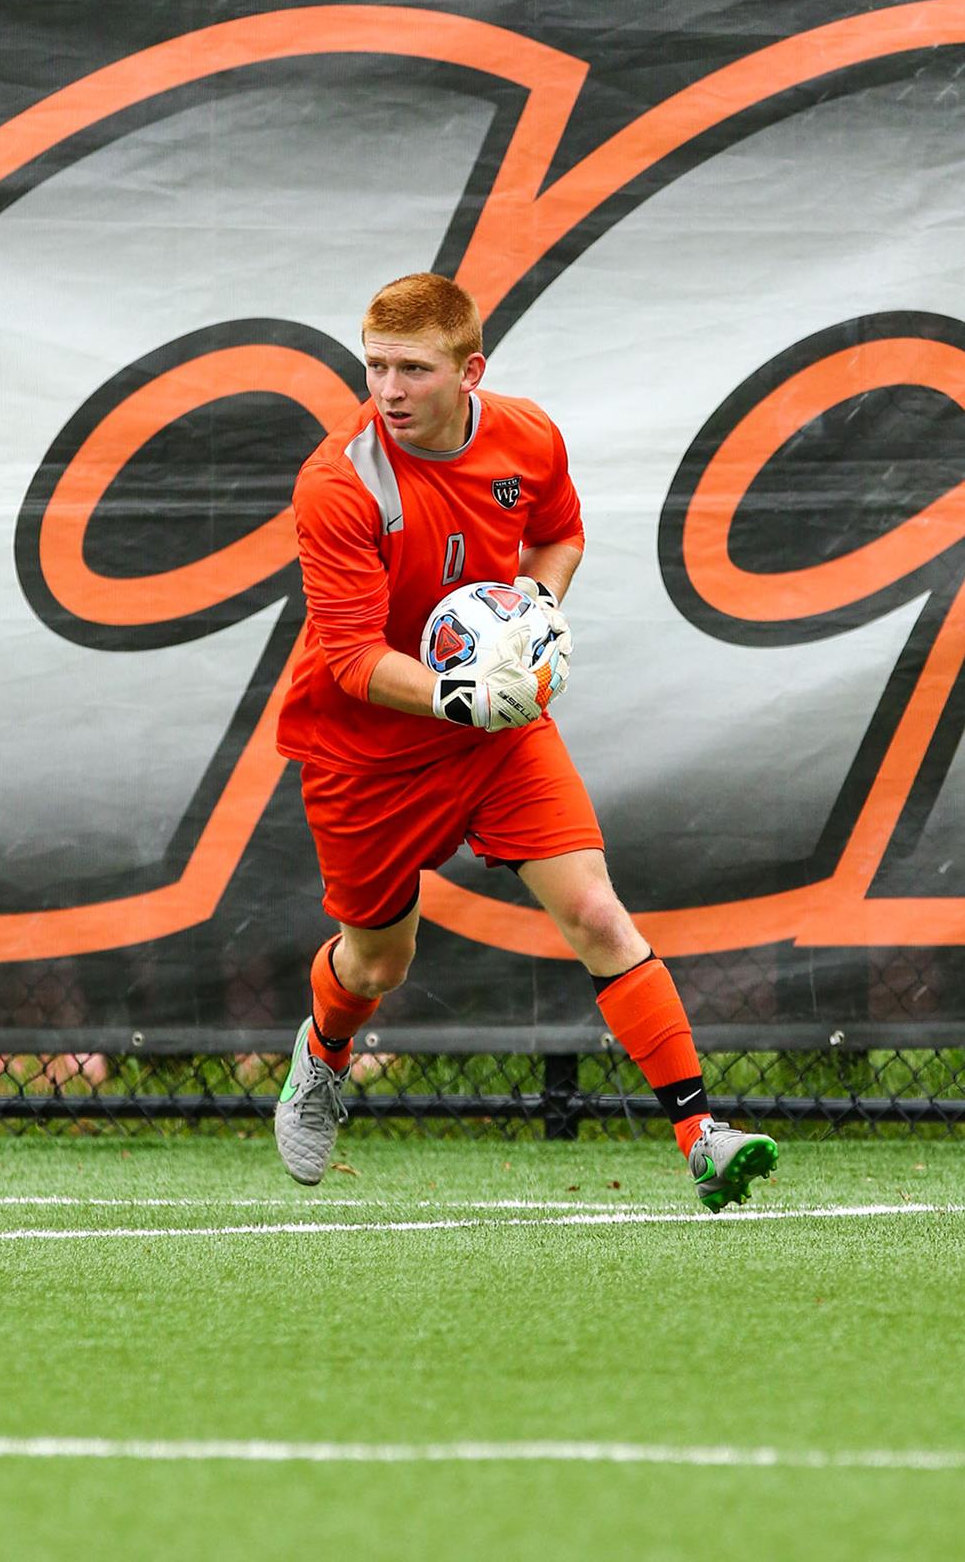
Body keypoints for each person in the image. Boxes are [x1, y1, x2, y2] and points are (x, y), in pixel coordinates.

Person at [273, 272, 777, 1212]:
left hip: (499, 734)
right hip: (366, 753)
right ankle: (325, 1053)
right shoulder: (338, 482)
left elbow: (560, 536)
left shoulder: (529, 436)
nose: (387, 390)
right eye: (375, 366)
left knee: (593, 912)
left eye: (412, 370)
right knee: (379, 964)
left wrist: (530, 619)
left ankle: (703, 1134)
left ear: (470, 370)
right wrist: (465, 690)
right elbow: (348, 658)